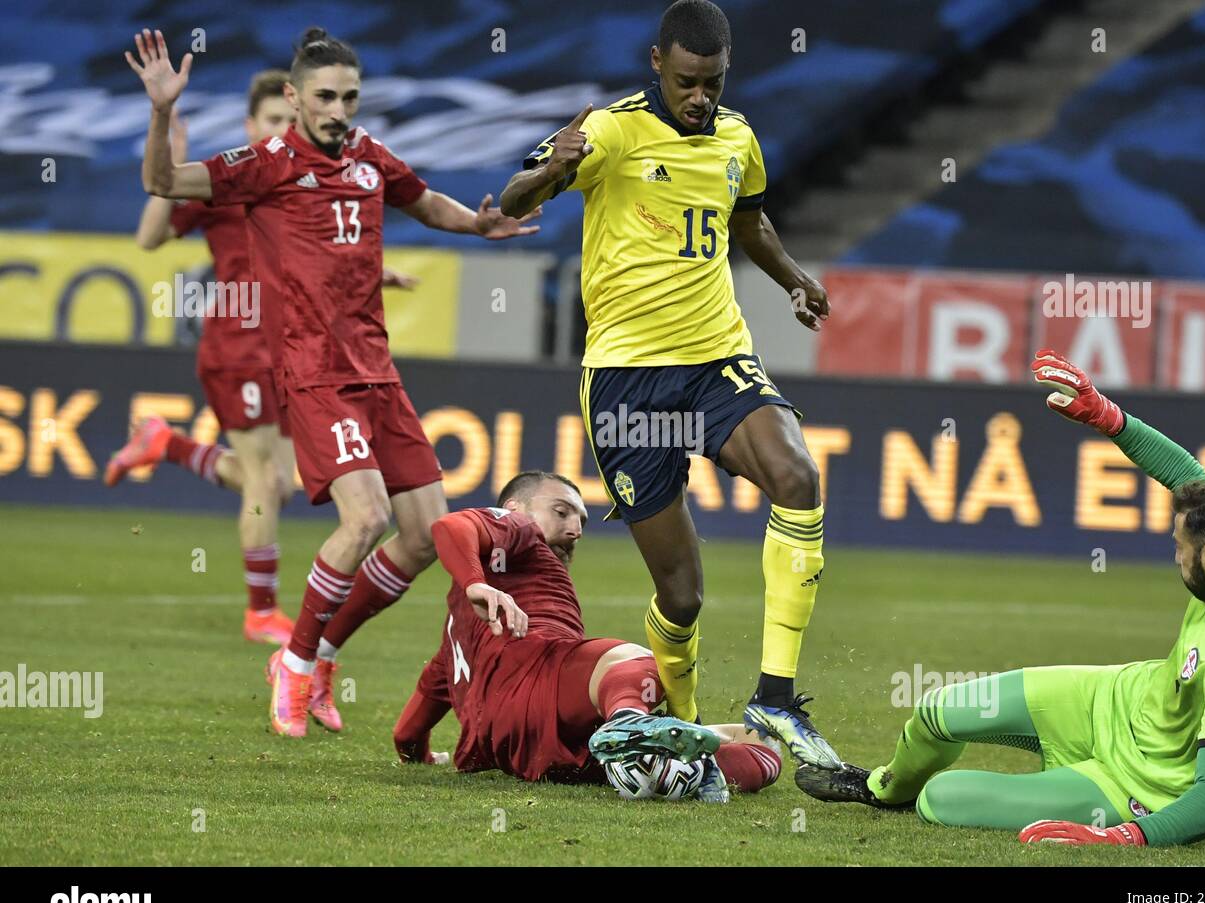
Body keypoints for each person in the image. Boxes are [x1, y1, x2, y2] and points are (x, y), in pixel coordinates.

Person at [125, 27, 540, 736]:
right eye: (324, 96)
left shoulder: (369, 155)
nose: (338, 108)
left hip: (379, 373)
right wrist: (163, 111)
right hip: (314, 375)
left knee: (423, 535)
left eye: (349, 95)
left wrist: (477, 225)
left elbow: (422, 199)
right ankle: (289, 661)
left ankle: (321, 656)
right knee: (365, 517)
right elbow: (163, 185)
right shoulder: (265, 163)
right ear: (294, 97)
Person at [498, 0, 841, 769]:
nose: (700, 98)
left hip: (716, 358)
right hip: (627, 382)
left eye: (712, 83)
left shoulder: (737, 138)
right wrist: (553, 167)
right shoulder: (612, 131)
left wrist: (792, 279)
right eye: (687, 81)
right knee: (681, 596)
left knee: (797, 474)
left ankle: (775, 695)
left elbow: (747, 221)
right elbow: (511, 201)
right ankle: (683, 727)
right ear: (658, 64)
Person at [797, 349, 1205, 848]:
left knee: (941, 799)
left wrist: (1125, 837)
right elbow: (1184, 471)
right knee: (937, 710)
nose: (1175, 555)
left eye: (1180, 546)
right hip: (1116, 699)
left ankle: (930, 795)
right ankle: (882, 789)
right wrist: (1109, 416)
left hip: (1137, 785)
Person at [105, 69, 416, 646]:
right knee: (265, 478)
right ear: (252, 126)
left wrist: (377, 274)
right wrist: (169, 160)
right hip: (238, 347)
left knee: (279, 483)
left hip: (297, 352)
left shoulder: (307, 181)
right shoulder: (236, 178)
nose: (282, 130)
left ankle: (164, 443)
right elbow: (150, 236)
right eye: (270, 121)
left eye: (287, 120)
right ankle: (261, 611)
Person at [392, 470, 783, 801]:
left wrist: (419, 756)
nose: (575, 529)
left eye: (581, 521)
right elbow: (450, 525)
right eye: (561, 512)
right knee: (636, 659)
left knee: (760, 740)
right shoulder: (519, 530)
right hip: (544, 684)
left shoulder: (455, 637)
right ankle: (630, 722)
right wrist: (476, 584)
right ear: (511, 510)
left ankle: (681, 770)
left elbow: (407, 732)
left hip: (521, 753)